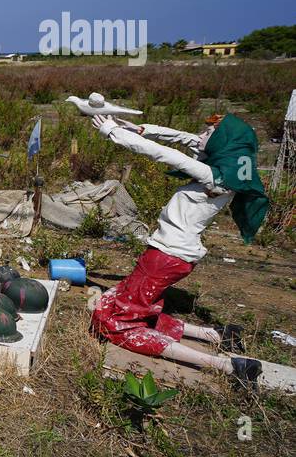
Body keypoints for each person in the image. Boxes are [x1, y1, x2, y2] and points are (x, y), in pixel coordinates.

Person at [88, 112, 269, 379]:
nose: (201, 136)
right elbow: (185, 138)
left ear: (223, 142)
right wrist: (140, 129)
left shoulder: (213, 176)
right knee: (121, 300)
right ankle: (217, 335)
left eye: (208, 134)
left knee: (115, 324)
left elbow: (165, 154)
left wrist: (113, 132)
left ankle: (229, 367)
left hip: (164, 257)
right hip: (172, 255)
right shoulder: (227, 170)